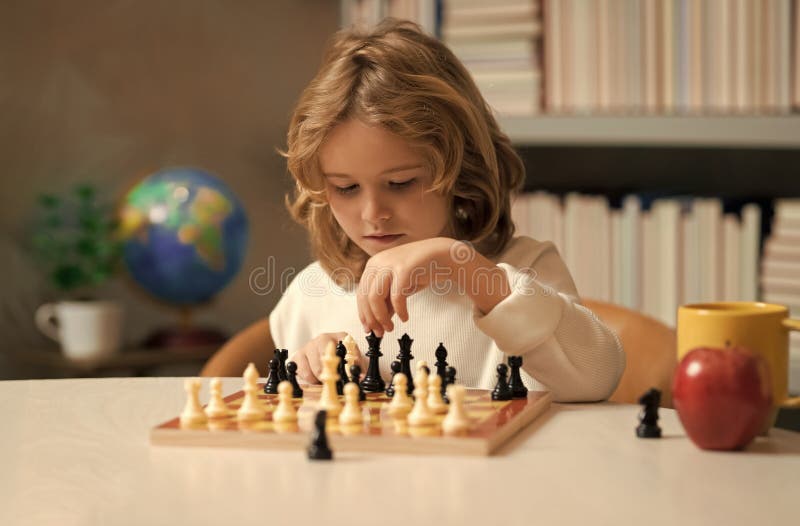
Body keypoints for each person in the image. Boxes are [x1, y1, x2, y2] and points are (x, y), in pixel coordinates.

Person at [201, 19, 625, 402]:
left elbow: (597, 378)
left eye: (400, 183)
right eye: (345, 188)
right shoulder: (311, 296)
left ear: (462, 168)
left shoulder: (524, 269)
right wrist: (312, 370)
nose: (373, 213)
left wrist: (462, 264)